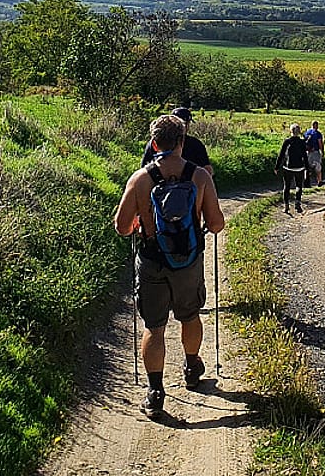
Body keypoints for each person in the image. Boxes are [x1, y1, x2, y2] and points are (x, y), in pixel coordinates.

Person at [114, 114, 225, 420]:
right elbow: (216, 224)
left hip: (152, 261)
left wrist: (142, 219)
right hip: (188, 260)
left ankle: (155, 392)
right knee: (189, 316)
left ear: (153, 143)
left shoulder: (140, 179)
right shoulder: (200, 176)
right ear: (182, 142)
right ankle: (191, 365)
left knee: (154, 327)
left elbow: (122, 227)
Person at [142, 107, 212, 176]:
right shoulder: (195, 144)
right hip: (190, 184)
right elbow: (208, 169)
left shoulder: (156, 141)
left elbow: (144, 166)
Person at [275, 122, 308, 214]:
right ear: (299, 132)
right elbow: (305, 156)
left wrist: (277, 167)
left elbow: (281, 155)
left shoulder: (287, 141)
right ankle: (297, 202)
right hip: (299, 168)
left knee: (287, 187)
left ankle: (286, 206)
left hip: (288, 168)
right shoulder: (302, 142)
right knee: (299, 186)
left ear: (290, 131)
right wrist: (307, 168)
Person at [303, 120, 324, 186]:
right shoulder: (318, 134)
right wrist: (322, 151)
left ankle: (306, 181)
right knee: (318, 167)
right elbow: (320, 143)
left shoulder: (307, 132)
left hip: (308, 152)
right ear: (316, 125)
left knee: (307, 167)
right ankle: (319, 181)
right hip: (315, 152)